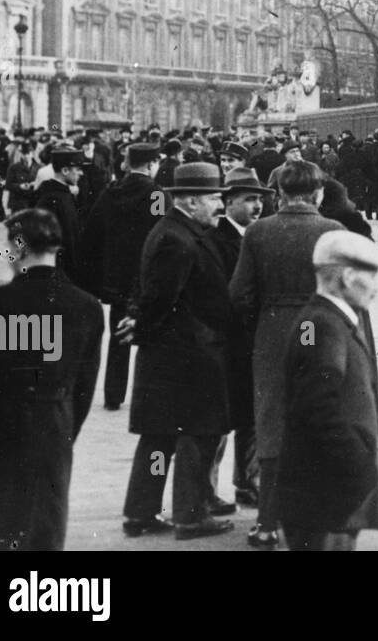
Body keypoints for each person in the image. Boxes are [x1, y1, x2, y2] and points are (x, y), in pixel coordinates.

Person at [0, 210, 104, 551]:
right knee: (44, 523)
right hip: (54, 425)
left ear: (19, 247)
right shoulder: (87, 306)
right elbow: (85, 383)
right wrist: (65, 428)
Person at [230, 160, 344, 548]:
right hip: (322, 332)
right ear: (318, 193)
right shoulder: (333, 230)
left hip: (274, 332)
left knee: (272, 424)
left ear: (279, 193)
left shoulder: (259, 232)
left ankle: (266, 523)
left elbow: (240, 294)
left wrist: (261, 325)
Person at [122, 163, 235, 540]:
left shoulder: (174, 230)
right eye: (214, 197)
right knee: (197, 435)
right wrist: (141, 326)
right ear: (190, 200)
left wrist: (140, 326)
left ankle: (141, 512)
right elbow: (160, 297)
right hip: (188, 355)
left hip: (168, 355)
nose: (220, 204)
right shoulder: (178, 239)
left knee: (158, 437)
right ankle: (190, 515)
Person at [277, 232, 378, 552]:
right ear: (346, 277)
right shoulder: (325, 326)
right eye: (371, 275)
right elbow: (317, 406)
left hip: (329, 492)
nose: (376, 286)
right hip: (327, 494)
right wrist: (358, 465)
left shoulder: (326, 320)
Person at [78, 142, 163, 411]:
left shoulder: (110, 191)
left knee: (118, 334)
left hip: (117, 277)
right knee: (156, 332)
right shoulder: (156, 195)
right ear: (151, 164)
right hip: (146, 273)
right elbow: (163, 232)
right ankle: (150, 394)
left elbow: (92, 230)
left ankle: (114, 394)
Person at [208, 167, 269, 510]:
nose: (257, 206)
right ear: (228, 202)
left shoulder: (256, 236)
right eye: (249, 200)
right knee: (220, 421)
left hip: (250, 342)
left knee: (250, 415)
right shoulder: (218, 239)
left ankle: (248, 482)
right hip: (227, 342)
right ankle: (208, 490)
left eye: (259, 199)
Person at [34, 147, 86, 285]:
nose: (81, 173)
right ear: (64, 171)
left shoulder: (62, 195)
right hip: (58, 273)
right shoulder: (51, 198)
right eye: (77, 169)